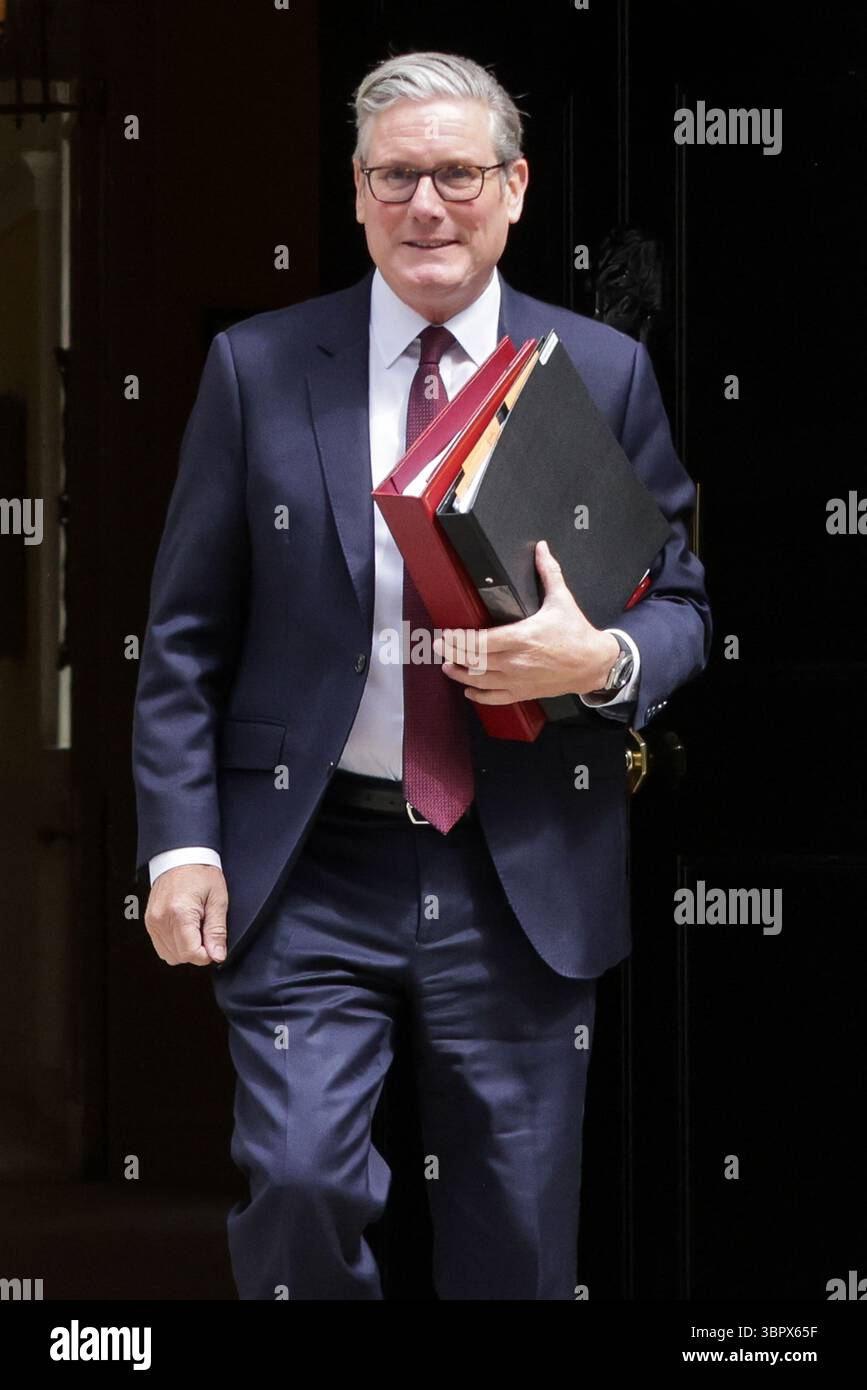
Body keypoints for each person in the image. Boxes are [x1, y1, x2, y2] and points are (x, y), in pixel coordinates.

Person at [131, 50, 711, 1300]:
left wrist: (601, 656)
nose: (427, 207)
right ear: (355, 192)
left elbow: (682, 605)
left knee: (515, 1226)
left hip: (523, 863)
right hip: (311, 863)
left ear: (514, 189)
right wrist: (181, 845)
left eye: (457, 174)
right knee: (298, 1185)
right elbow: (184, 633)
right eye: (398, 177)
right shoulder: (261, 366)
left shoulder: (598, 371)